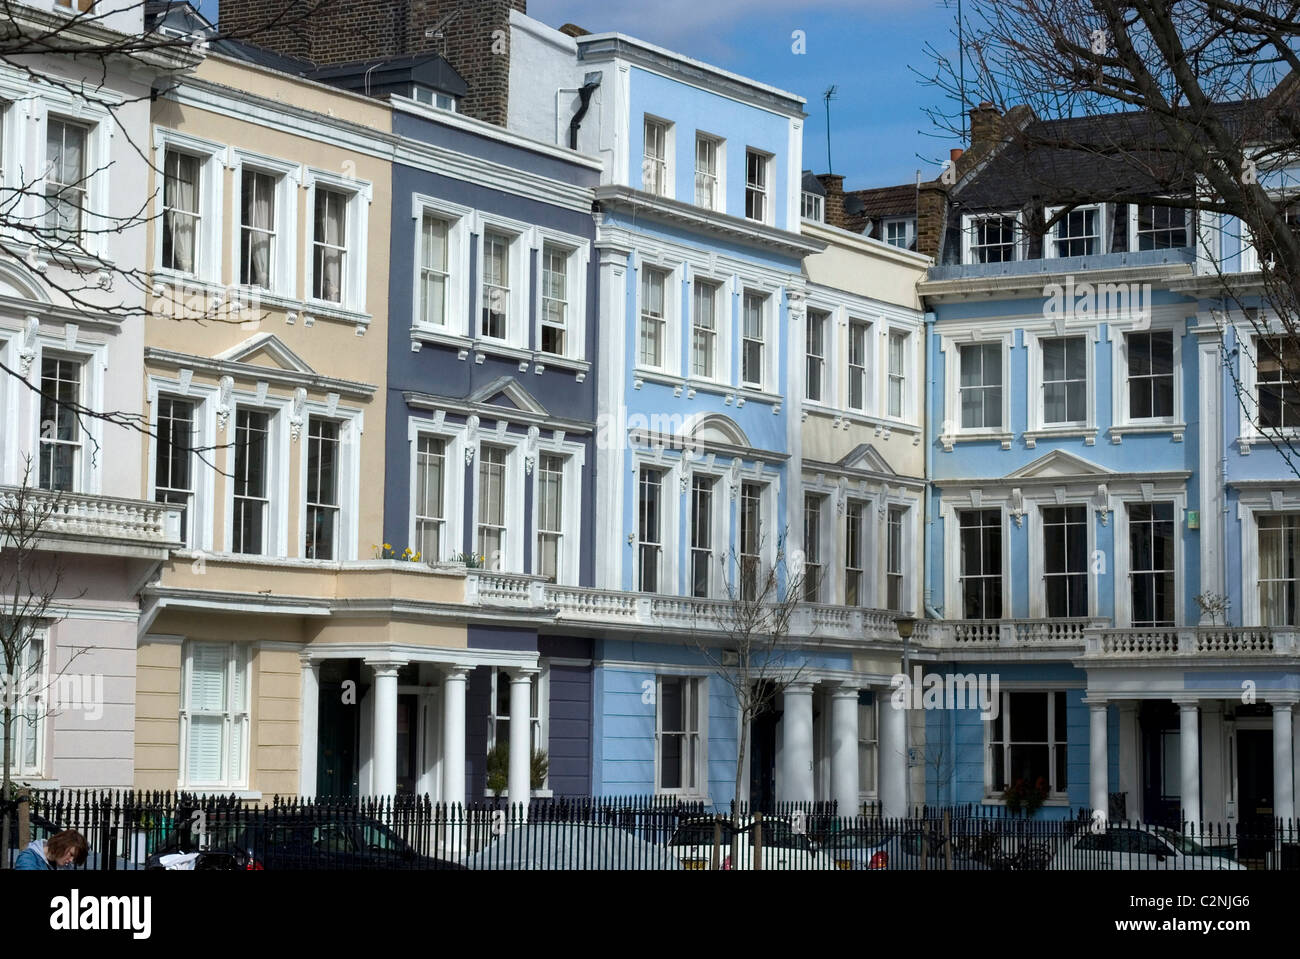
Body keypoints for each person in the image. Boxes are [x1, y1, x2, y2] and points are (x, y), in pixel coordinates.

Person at [14, 829, 89, 870]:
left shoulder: (64, 866)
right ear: (62, 844)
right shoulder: (28, 859)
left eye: (74, 859)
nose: (71, 860)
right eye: (71, 854)